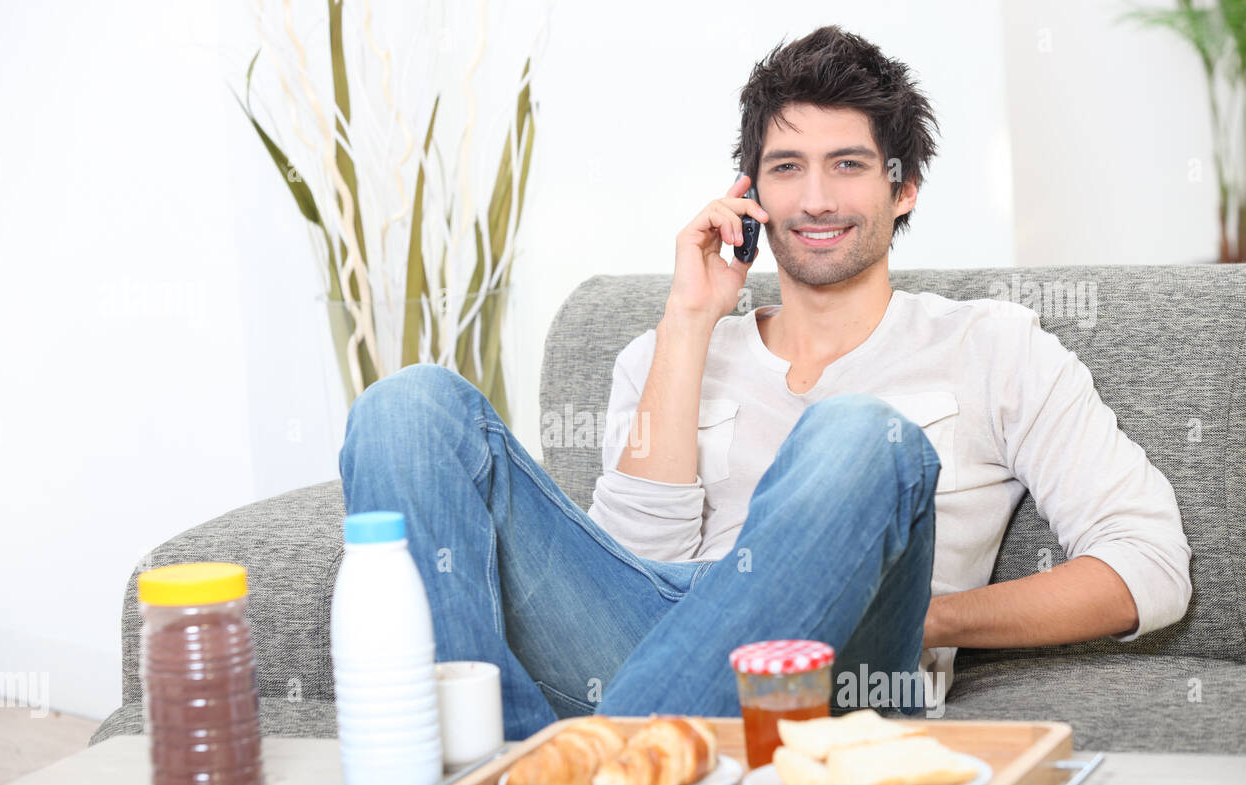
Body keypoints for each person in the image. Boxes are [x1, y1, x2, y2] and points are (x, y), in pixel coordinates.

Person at [338, 26, 1191, 743]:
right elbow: (640, 567)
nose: (816, 199)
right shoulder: (666, 349)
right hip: (652, 642)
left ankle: (586, 781)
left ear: (904, 188)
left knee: (860, 434)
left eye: (848, 165)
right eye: (787, 168)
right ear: (751, 195)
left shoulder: (994, 345)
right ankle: (517, 777)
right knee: (405, 406)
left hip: (847, 670)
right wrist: (688, 320)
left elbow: (1148, 565)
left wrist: (934, 619)